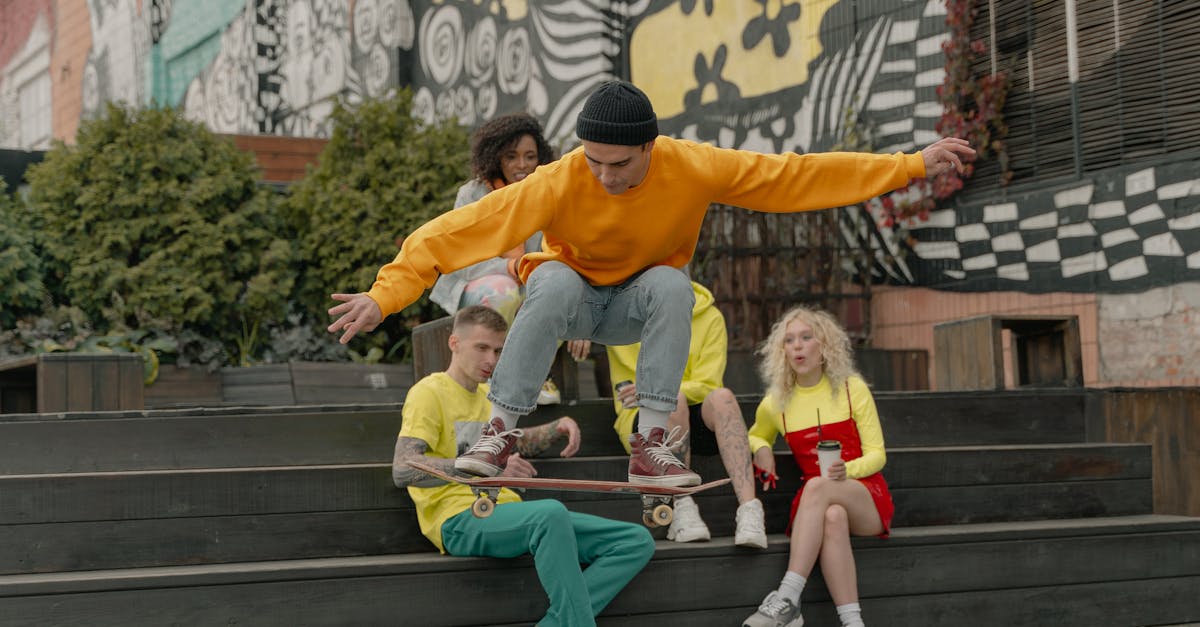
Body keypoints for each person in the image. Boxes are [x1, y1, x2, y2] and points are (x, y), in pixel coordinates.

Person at [329, 79, 975, 489]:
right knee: (548, 281)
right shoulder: (559, 178)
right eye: (593, 162)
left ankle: (652, 443)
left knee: (672, 284)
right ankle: (498, 430)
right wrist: (385, 292)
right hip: (573, 301)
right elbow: (460, 229)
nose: (604, 177)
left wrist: (909, 165)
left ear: (650, 148)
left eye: (619, 165)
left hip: (636, 306)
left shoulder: (691, 166)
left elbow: (792, 177)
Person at [392, 305, 655, 627]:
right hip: (458, 520)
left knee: (634, 541)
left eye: (499, 350)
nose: (491, 359)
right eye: (482, 348)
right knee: (550, 513)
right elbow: (403, 468)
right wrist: (484, 468)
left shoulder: (491, 396)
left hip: (508, 514)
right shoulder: (429, 393)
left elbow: (513, 441)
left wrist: (555, 428)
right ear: (454, 343)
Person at [741, 305, 895, 627]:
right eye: (789, 340)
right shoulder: (776, 403)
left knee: (819, 488)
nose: (797, 345)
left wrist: (846, 471)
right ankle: (853, 622)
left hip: (865, 493)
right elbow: (755, 434)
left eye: (806, 337)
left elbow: (878, 454)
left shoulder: (854, 389)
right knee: (832, 516)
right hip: (818, 503)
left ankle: (787, 597)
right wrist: (763, 448)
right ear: (782, 351)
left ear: (824, 345)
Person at [607, 279, 766, 548]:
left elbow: (708, 383)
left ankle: (750, 509)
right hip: (642, 423)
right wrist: (578, 334)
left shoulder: (710, 316)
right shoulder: (620, 311)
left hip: (692, 414)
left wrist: (655, 388)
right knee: (673, 399)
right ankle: (681, 505)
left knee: (723, 398)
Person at [429, 112, 554, 325]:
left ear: (540, 159)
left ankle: (516, 357)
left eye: (530, 156)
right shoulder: (471, 195)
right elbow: (462, 262)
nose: (522, 164)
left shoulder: (547, 194)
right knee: (503, 293)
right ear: (496, 157)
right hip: (478, 286)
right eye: (511, 156)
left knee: (550, 301)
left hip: (528, 288)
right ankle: (496, 357)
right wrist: (511, 267)